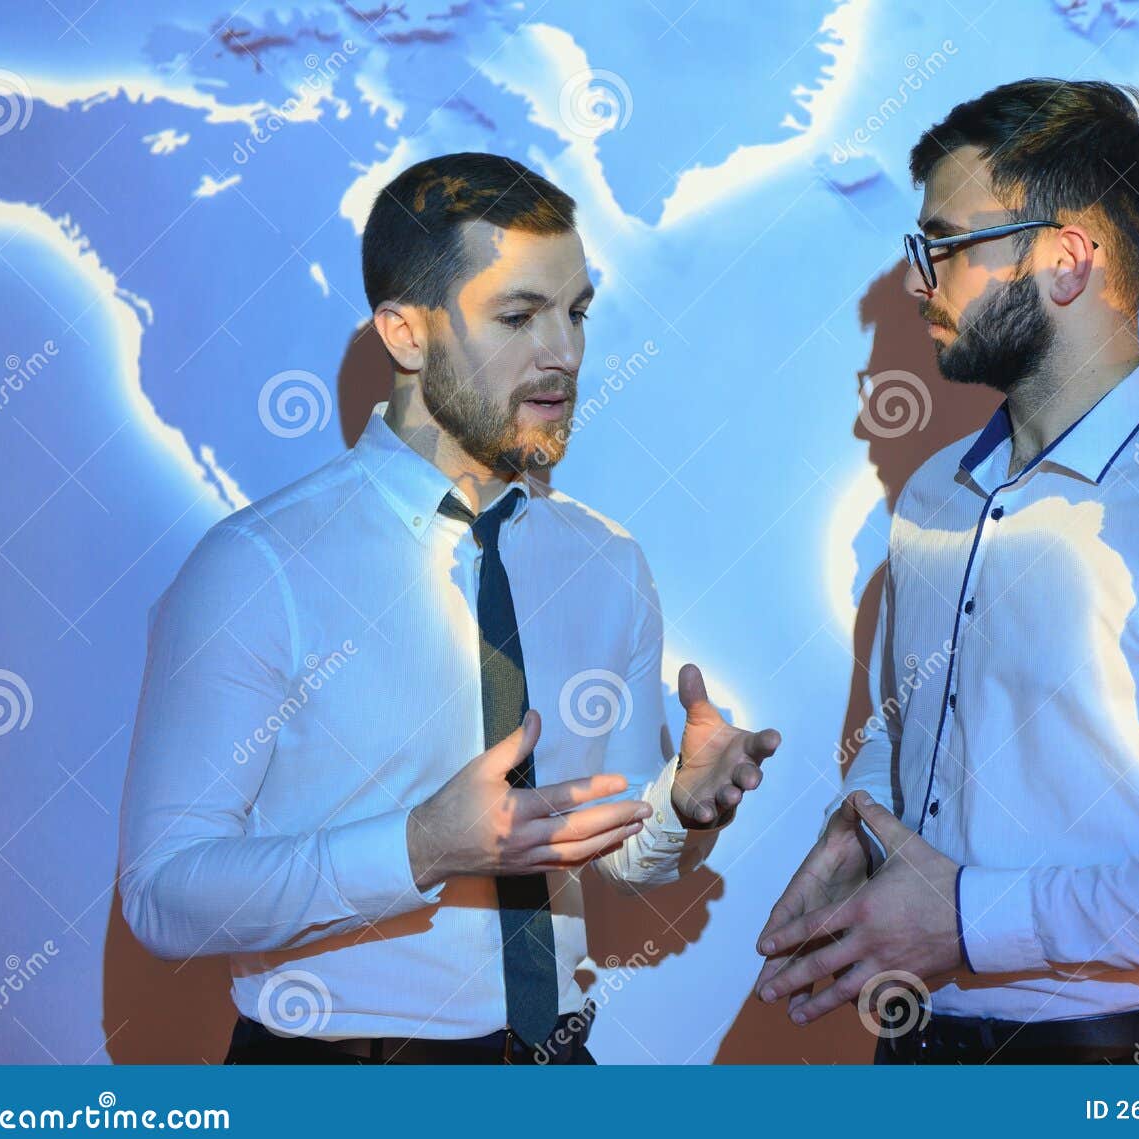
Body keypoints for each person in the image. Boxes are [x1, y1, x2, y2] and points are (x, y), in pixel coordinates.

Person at [118, 152, 779, 1064]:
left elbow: (613, 846)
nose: (566, 353)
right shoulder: (256, 568)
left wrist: (679, 803)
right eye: (519, 315)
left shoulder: (606, 562)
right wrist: (422, 845)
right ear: (405, 333)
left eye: (576, 311)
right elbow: (162, 893)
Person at [755, 79, 1139, 1064]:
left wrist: (970, 921)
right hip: (909, 1053)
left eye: (944, 246)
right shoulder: (931, 505)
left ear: (1067, 259)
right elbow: (906, 738)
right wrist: (858, 835)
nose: (918, 282)